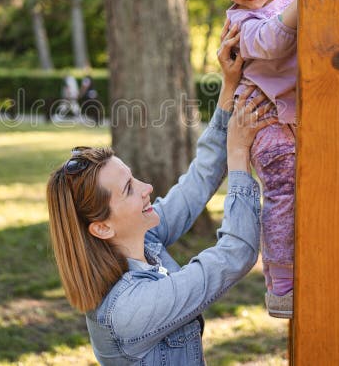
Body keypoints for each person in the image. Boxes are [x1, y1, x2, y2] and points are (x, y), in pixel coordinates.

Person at [46, 23, 275, 365]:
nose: (146, 188)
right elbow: (235, 254)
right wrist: (239, 156)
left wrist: (228, 88)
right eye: (128, 189)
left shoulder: (141, 242)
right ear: (102, 228)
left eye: (133, 178)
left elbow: (200, 179)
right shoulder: (130, 308)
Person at [204, 0, 324, 318]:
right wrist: (305, 3)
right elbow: (273, 42)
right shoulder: (240, 21)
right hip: (264, 119)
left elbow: (326, 8)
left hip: (304, 113)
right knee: (282, 185)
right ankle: (280, 281)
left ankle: (313, 256)